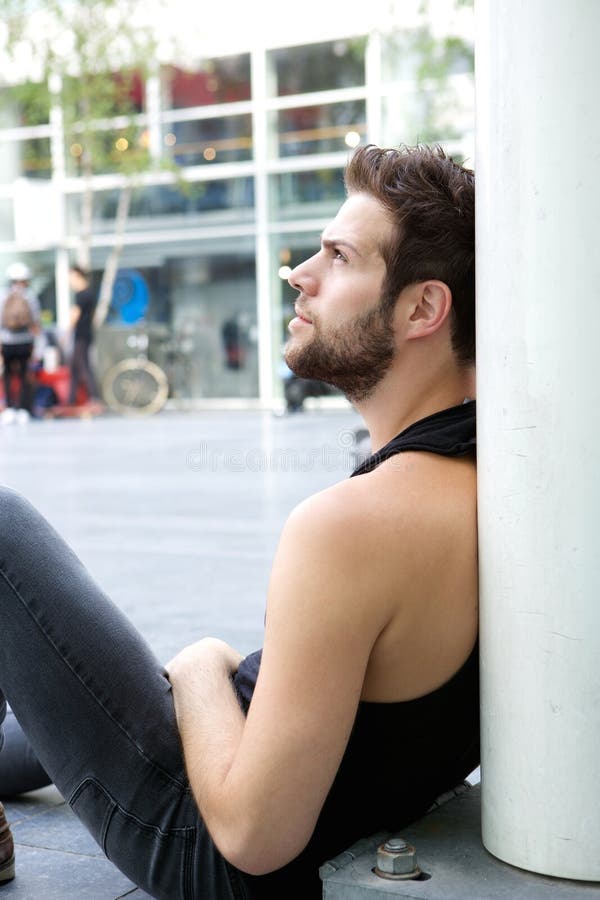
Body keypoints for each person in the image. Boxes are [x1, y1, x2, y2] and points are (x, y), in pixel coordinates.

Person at [0, 144, 477, 898]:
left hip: (190, 830)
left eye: (339, 256)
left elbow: (253, 840)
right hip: (299, 775)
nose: (300, 274)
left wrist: (200, 668)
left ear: (423, 307)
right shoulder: (488, 481)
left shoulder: (354, 525)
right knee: (47, 697)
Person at [0, 262, 41, 424]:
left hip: (7, 341)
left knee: (8, 375)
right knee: (24, 374)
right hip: (25, 341)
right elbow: (36, 321)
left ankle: (10, 408)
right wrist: (38, 343)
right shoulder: (29, 295)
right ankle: (24, 409)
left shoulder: (3, 295)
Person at [68, 265, 99, 406]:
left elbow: (75, 314)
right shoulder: (90, 293)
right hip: (86, 333)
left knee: (83, 365)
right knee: (76, 366)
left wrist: (67, 332)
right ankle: (72, 398)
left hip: (81, 335)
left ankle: (93, 397)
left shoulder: (82, 294)